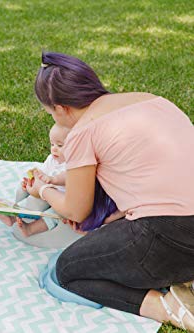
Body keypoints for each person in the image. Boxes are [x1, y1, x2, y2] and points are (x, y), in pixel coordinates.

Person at [28, 51, 194, 330]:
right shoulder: (152, 101)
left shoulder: (83, 131)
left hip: (169, 232)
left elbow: (76, 210)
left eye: (50, 114)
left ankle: (167, 307)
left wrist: (42, 189)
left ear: (59, 108)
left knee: (67, 271)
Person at [0, 123, 70, 237]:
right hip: (45, 193)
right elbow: (42, 173)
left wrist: (52, 180)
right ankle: (13, 217)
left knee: (53, 215)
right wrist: (33, 180)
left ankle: (31, 229)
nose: (54, 148)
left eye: (60, 145)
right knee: (30, 199)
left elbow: (68, 177)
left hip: (62, 200)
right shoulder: (51, 159)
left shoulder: (72, 163)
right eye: (52, 144)